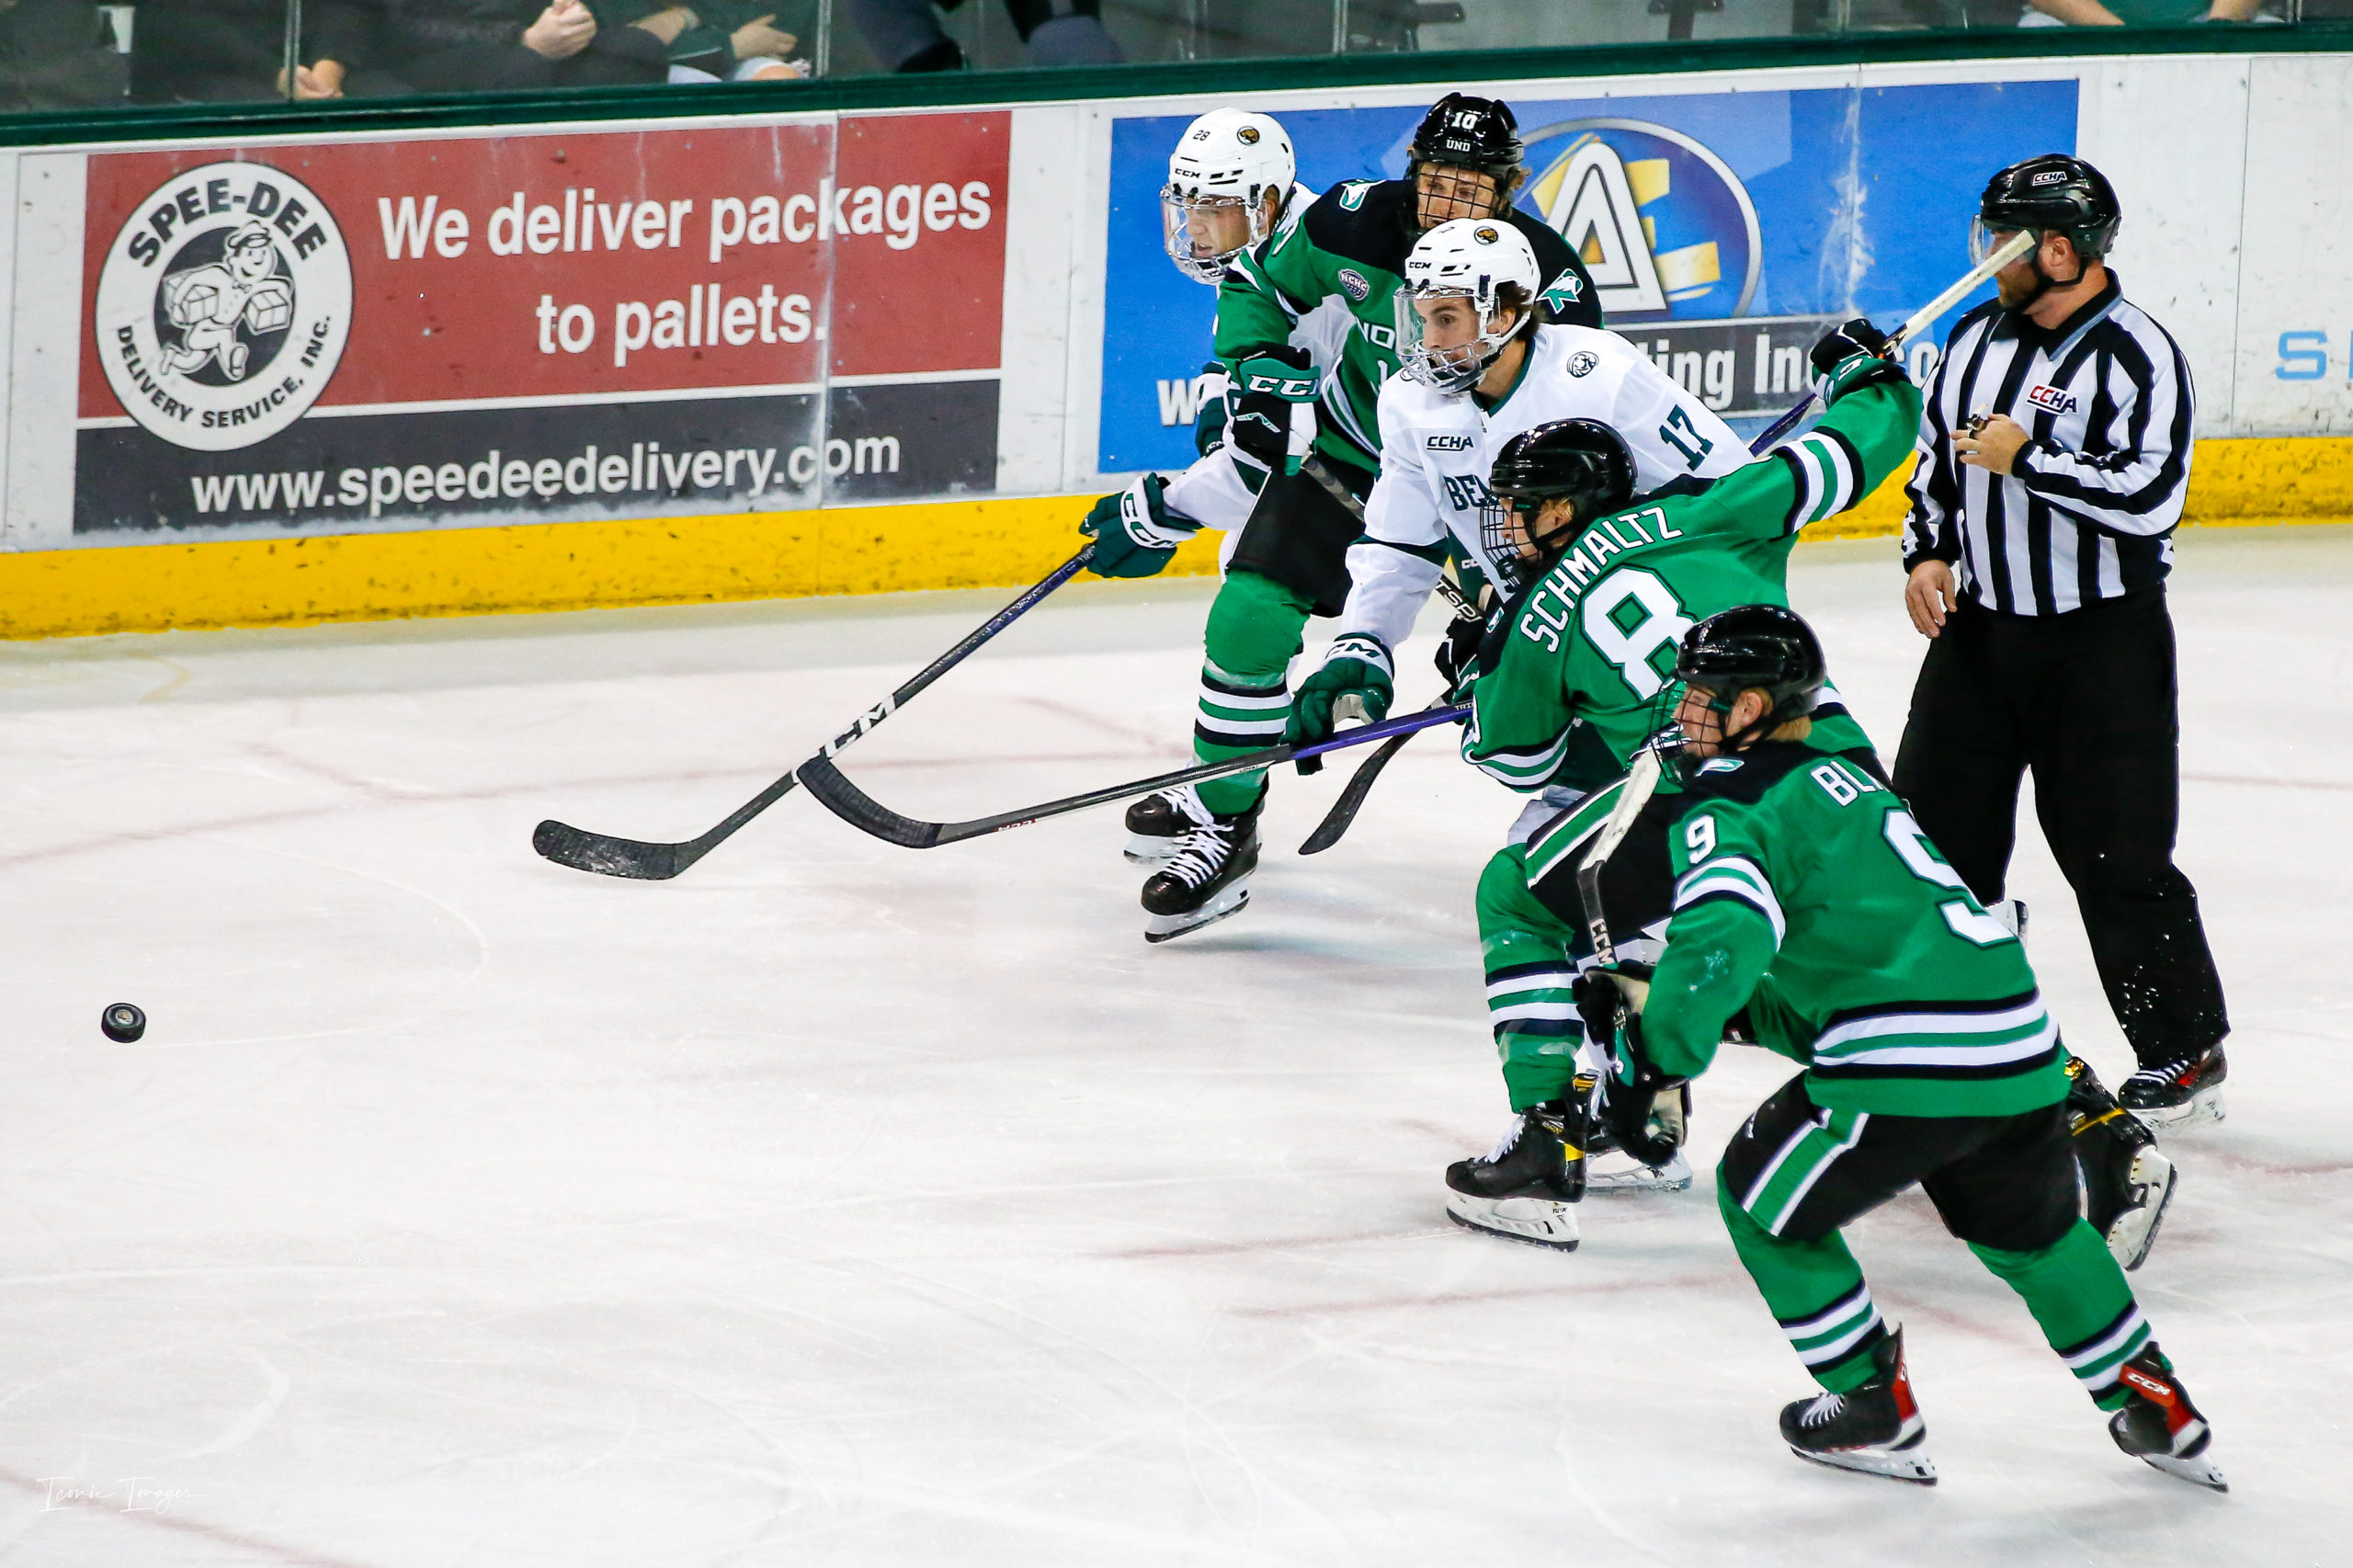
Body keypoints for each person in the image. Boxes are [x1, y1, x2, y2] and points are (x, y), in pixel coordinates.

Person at [1574, 603, 2223, 1491]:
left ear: (1757, 706)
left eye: (1706, 692)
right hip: (2021, 1045)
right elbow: (1856, 966)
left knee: (1761, 1202)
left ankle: (1872, 1407)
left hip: (1908, 1059)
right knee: (2033, 1237)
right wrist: (1730, 1018)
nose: (1687, 707)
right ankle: (2154, 1397)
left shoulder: (1728, 804)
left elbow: (1722, 938)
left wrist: (1661, 1050)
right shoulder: (1846, 782)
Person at [1380, 321, 1905, 1243]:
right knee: (1893, 954)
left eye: (1522, 509)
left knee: (1524, 894)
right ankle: (2084, 1124)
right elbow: (1846, 452)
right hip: (1832, 757)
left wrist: (1482, 676)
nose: (1507, 529)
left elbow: (1521, 762)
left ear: (1563, 510)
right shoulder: (1711, 507)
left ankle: (1548, 1133)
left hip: (1695, 791)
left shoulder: (1536, 615)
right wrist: (1870, 380)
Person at [1080, 94, 1600, 942]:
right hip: (1350, 457)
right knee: (1247, 616)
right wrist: (1256, 369)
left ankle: (1589, 837)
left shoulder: (1551, 278)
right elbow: (1259, 279)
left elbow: (1572, 431)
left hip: (1486, 495)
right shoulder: (1356, 223)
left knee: (1528, 670)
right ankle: (1226, 815)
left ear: (1511, 187)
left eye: (1473, 189)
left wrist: (1518, 572)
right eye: (1437, 182)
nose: (1449, 205)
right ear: (1413, 176)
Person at [1898, 153, 2227, 1128]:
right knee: (1928, 841)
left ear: (2058, 249)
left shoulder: (2139, 354)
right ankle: (1953, 1021)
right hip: (1979, 637)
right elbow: (1934, 469)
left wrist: (2027, 457)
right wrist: (1926, 554)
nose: (1982, 257)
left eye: (1998, 238)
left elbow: (2151, 498)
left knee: (2117, 857)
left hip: (2102, 646)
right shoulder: (1972, 341)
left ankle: (2181, 1046)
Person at [312, 0, 669, 96]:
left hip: (527, 41)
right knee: (521, 69)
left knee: (637, 52)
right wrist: (523, 41)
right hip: (424, 60)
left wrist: (571, 17)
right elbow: (395, 23)